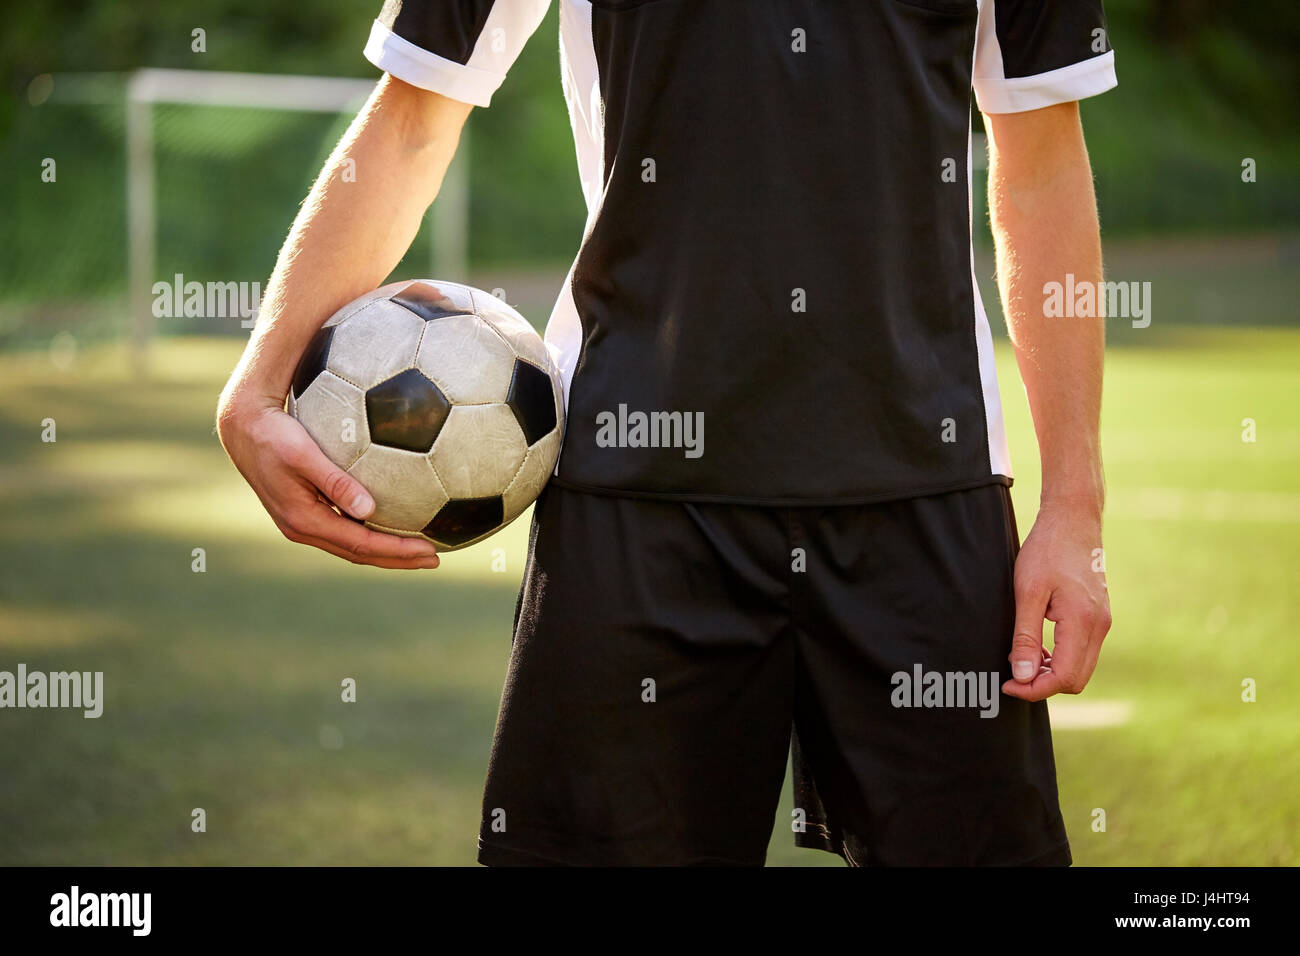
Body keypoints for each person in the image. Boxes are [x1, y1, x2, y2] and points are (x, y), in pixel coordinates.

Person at [217, 0, 1115, 866]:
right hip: (635, 501)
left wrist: (1075, 510)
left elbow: (1039, 161)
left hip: (928, 489)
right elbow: (414, 115)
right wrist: (261, 383)